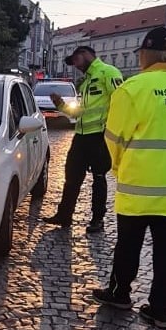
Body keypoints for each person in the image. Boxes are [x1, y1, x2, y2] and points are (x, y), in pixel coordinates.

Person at [92, 27, 166, 329]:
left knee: (128, 243)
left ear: (146, 54)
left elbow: (113, 137)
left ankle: (120, 293)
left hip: (139, 183)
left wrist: (116, 168)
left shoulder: (134, 87)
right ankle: (161, 310)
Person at [44, 46, 124, 233]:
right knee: (71, 177)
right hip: (81, 136)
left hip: (99, 136)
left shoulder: (108, 73)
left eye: (76, 61)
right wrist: (61, 105)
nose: (76, 66)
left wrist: (113, 129)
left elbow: (121, 102)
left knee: (98, 178)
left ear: (86, 55)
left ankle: (97, 219)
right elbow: (80, 112)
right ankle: (64, 215)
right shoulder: (86, 81)